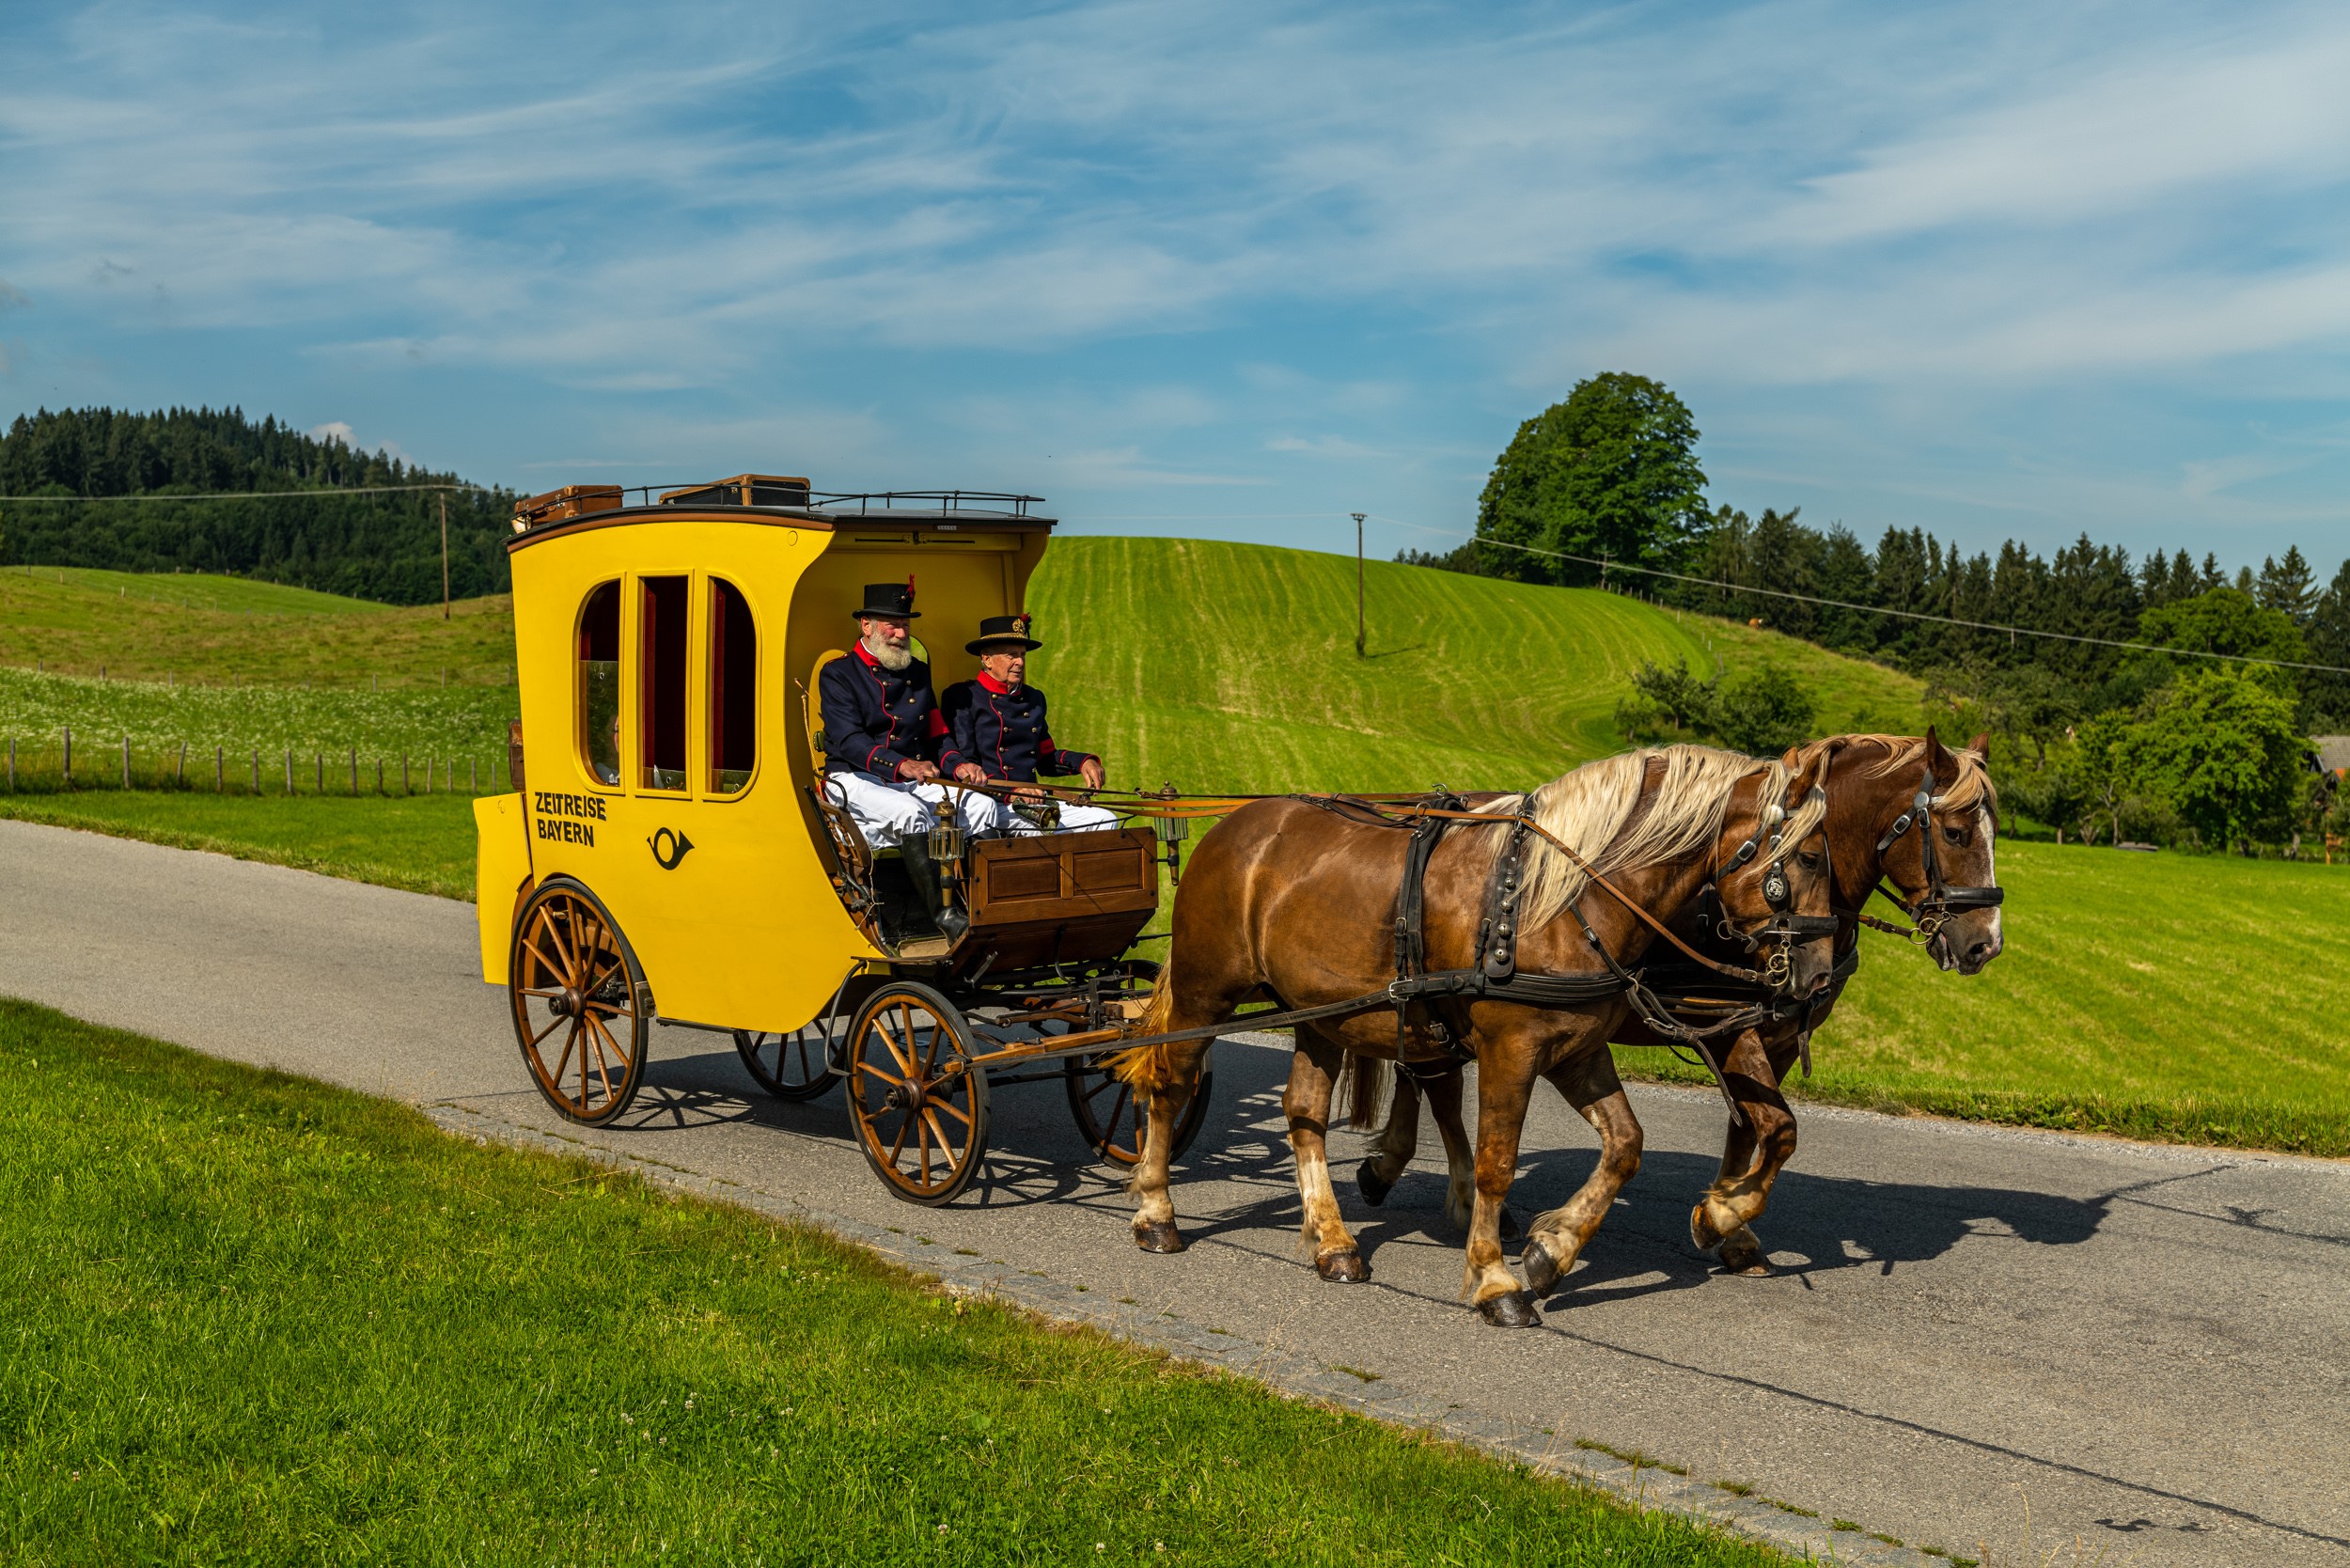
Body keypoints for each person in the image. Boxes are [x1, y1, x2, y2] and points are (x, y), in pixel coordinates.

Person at [817, 580, 994, 938]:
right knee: (910, 813)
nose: (901, 634)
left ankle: (983, 906)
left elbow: (937, 734)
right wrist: (902, 765)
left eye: (905, 626)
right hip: (854, 777)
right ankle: (945, 916)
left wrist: (958, 764)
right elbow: (849, 742)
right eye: (892, 625)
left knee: (982, 806)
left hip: (907, 779)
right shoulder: (838, 674)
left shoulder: (917, 672)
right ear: (866, 625)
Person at [938, 614, 1120, 834]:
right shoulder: (963, 697)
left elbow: (1045, 758)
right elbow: (968, 768)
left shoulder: (1034, 698)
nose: (1020, 662)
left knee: (1105, 819)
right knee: (1044, 832)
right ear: (987, 659)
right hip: (991, 803)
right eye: (1012, 655)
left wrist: (1083, 762)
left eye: (1022, 655)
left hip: (1033, 801)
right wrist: (1012, 792)